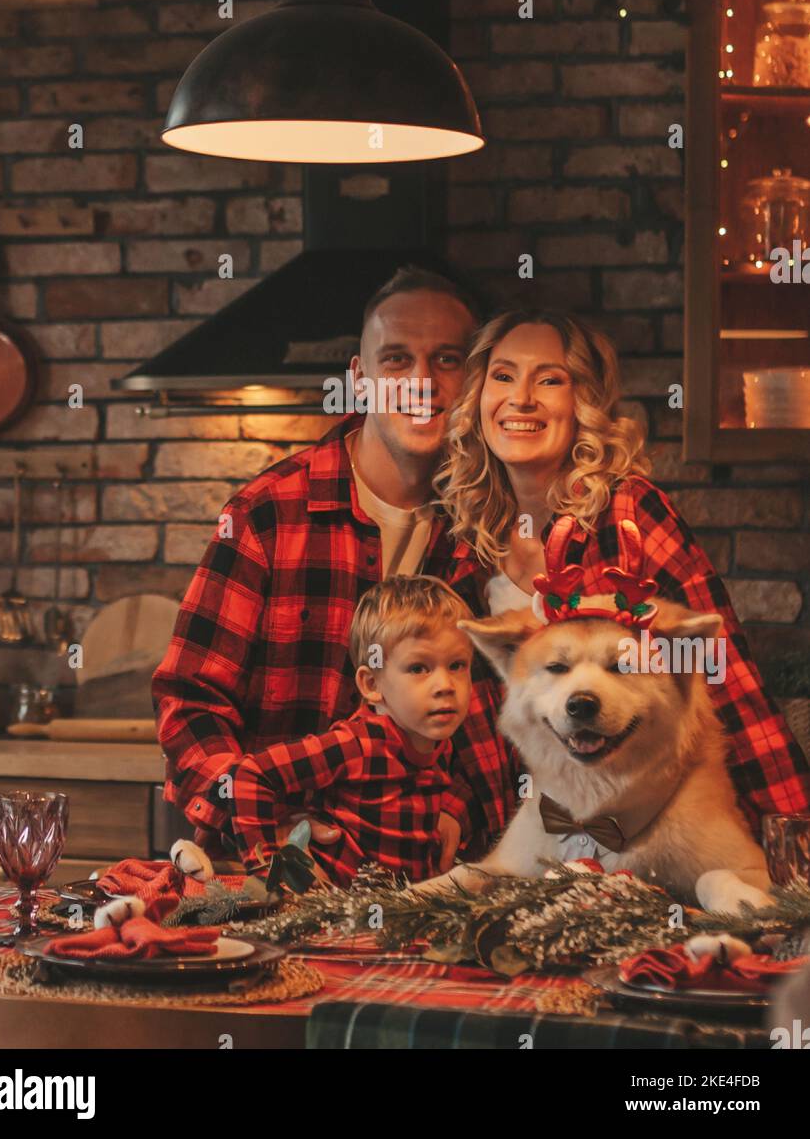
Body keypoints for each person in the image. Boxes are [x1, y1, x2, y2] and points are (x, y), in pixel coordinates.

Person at [152, 266, 520, 866]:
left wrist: (461, 806)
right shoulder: (267, 515)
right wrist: (263, 813)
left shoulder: (485, 525)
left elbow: (491, 718)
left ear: (474, 381)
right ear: (359, 379)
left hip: (424, 885)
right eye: (396, 360)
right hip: (271, 883)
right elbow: (188, 700)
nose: (421, 382)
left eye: (447, 360)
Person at [434, 308, 810, 837]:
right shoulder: (463, 539)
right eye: (503, 375)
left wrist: (792, 836)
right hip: (515, 842)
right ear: (478, 399)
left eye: (550, 379)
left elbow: (723, 677)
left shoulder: (628, 513)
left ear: (581, 402)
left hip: (644, 840)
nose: (521, 397)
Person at [229, 576, 474, 886]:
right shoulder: (355, 745)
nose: (445, 686)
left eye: (457, 665)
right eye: (418, 668)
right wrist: (271, 868)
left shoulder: (441, 745)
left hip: (398, 911)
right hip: (333, 909)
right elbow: (251, 774)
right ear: (371, 684)